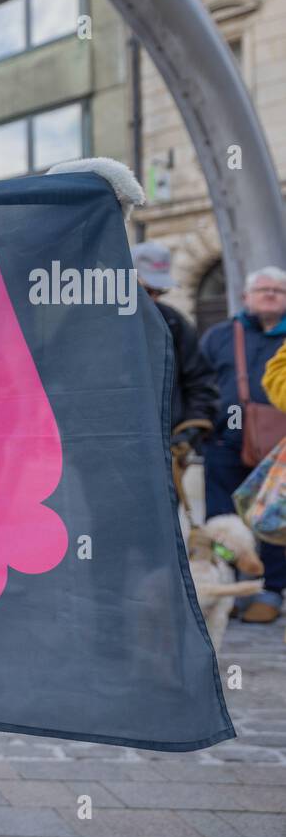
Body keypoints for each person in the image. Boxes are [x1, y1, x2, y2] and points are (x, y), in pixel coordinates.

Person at [199, 265, 286, 622]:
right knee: (222, 518)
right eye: (262, 289)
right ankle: (228, 582)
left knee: (274, 517)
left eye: (278, 291)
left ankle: (270, 589)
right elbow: (199, 382)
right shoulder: (219, 336)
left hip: (277, 448)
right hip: (225, 443)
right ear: (246, 297)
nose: (270, 294)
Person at [130, 243, 219, 524]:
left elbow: (200, 382)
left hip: (164, 451)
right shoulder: (93, 320)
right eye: (147, 290)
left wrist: (190, 431)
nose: (153, 298)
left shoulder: (175, 323)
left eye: (159, 292)